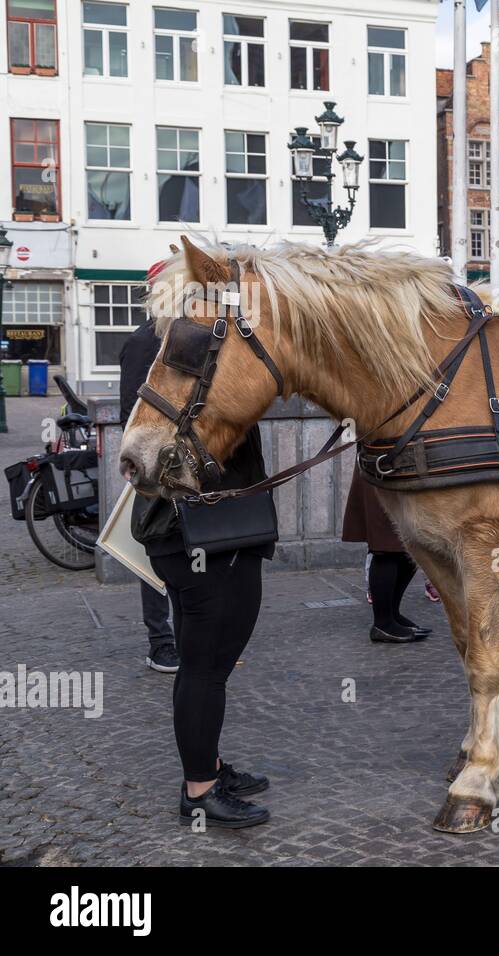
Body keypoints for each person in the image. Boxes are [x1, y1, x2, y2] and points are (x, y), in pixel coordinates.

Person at [129, 259, 277, 828]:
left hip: (221, 527)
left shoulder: (200, 345)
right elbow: (145, 445)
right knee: (204, 666)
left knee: (210, 661)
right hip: (190, 531)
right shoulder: (157, 348)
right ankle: (199, 790)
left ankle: (207, 763)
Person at [119, 260, 178, 674]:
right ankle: (160, 641)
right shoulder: (145, 341)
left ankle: (180, 634)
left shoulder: (181, 335)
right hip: (156, 469)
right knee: (153, 554)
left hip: (184, 465)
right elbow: (131, 415)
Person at [343, 469, 430, 643]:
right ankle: (382, 623)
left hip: (403, 468)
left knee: (409, 546)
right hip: (379, 468)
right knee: (386, 545)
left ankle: (392, 615)